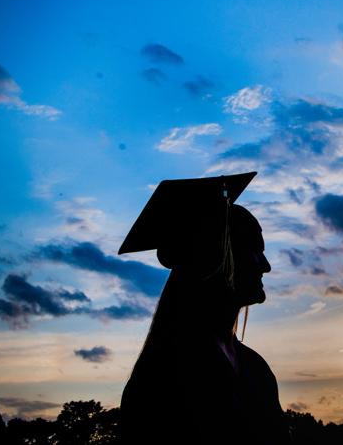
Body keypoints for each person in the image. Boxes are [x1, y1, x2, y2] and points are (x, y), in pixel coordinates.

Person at [118, 172, 292, 445]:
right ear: (214, 258)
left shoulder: (254, 367)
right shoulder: (162, 380)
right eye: (254, 249)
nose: (265, 265)